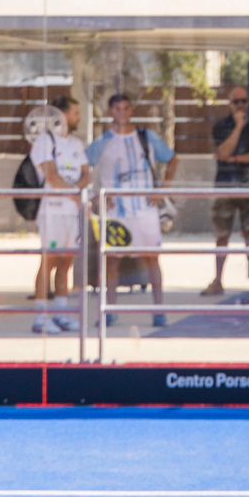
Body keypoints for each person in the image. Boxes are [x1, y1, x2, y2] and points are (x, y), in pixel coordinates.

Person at [89, 93, 178, 328]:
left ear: (131, 111)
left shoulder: (146, 137)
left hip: (144, 209)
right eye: (117, 109)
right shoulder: (102, 143)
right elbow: (83, 170)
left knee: (152, 259)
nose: (122, 113)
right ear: (110, 112)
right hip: (117, 211)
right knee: (112, 262)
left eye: (126, 108)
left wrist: (163, 189)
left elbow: (172, 159)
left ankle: (158, 310)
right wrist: (96, 199)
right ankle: (109, 310)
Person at [204, 87, 249, 299]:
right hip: (225, 186)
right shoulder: (221, 126)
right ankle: (218, 280)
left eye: (244, 101)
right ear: (230, 104)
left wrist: (237, 159)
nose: (240, 105)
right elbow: (222, 152)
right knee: (222, 235)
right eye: (236, 102)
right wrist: (238, 128)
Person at [30, 95, 89, 335]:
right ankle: (40, 316)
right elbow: (52, 177)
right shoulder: (45, 141)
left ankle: (61, 313)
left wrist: (78, 192)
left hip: (72, 213)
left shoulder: (76, 144)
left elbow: (87, 174)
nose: (78, 118)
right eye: (75, 113)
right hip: (52, 211)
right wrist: (74, 193)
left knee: (66, 261)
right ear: (62, 115)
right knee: (49, 261)